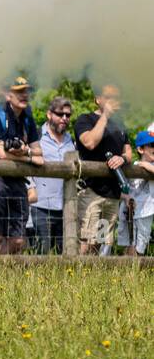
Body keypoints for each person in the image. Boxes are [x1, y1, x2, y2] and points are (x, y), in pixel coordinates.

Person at [0, 77, 43, 254]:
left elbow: (40, 154)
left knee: (18, 240)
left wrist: (24, 150)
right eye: (19, 91)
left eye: (26, 91)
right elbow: (2, 155)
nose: (24, 95)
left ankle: (4, 273)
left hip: (18, 182)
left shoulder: (28, 119)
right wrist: (28, 157)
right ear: (8, 95)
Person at [72, 83, 130, 256]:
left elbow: (128, 152)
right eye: (109, 97)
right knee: (86, 242)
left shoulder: (120, 124)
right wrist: (105, 116)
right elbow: (90, 143)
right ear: (98, 100)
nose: (115, 101)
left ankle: (92, 278)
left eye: (117, 97)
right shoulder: (85, 119)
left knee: (100, 243)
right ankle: (78, 277)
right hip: (91, 192)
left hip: (112, 195)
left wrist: (123, 158)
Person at [33, 96, 74, 254]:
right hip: (40, 206)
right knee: (41, 252)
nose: (64, 118)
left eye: (68, 115)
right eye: (60, 114)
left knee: (64, 254)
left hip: (66, 207)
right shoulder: (36, 137)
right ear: (49, 114)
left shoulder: (71, 141)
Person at [121, 131, 154, 256]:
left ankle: (135, 273)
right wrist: (125, 197)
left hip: (147, 212)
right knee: (128, 243)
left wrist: (149, 167)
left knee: (141, 245)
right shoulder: (132, 167)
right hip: (129, 210)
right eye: (151, 145)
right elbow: (120, 189)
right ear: (140, 149)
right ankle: (126, 271)